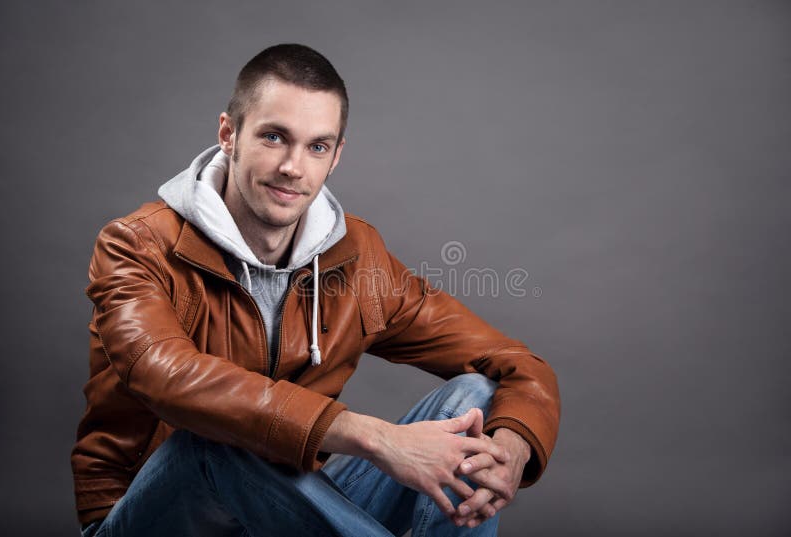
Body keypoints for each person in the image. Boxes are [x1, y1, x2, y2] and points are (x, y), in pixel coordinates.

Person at [71, 43, 560, 536]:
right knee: (210, 441)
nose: (293, 166)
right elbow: (168, 376)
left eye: (317, 147)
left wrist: (512, 447)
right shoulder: (137, 245)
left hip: (287, 509)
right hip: (162, 516)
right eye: (274, 137)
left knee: (476, 397)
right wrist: (376, 438)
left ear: (336, 156)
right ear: (228, 134)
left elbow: (518, 365)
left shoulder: (357, 258)